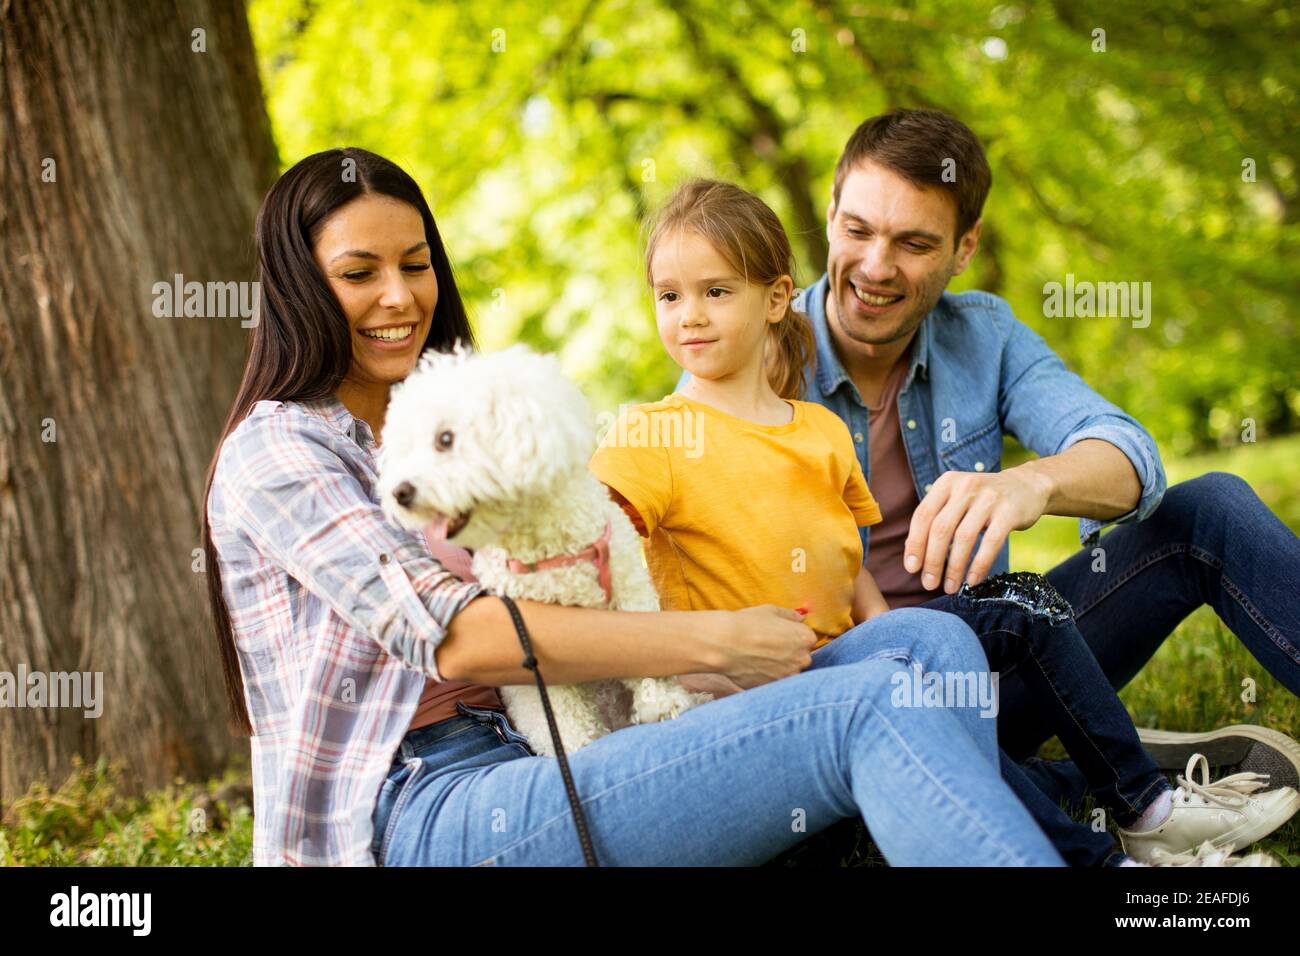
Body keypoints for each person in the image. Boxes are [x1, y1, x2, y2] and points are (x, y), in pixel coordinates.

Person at [201, 146, 1063, 867]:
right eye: (360, 274)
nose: (400, 297)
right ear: (297, 288)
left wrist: (692, 667)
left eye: (415, 265)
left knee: (927, 640)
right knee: (867, 705)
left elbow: (588, 562)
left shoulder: (449, 413)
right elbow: (460, 636)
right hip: (423, 801)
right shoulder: (278, 452)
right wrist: (712, 640)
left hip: (567, 736)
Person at [598, 178, 1295, 865]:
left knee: (1044, 590)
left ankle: (1145, 804)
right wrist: (689, 659)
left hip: (924, 663)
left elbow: (853, 574)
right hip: (791, 703)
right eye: (669, 296)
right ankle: (1103, 830)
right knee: (913, 699)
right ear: (833, 217)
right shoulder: (655, 435)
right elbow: (586, 568)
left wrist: (1032, 483)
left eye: (714, 292)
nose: (689, 315)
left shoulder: (830, 422)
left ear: (963, 249)